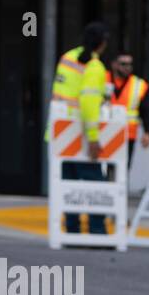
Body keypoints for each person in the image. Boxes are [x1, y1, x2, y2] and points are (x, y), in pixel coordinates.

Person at [49, 22, 111, 235]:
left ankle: (72, 231)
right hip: (80, 134)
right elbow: (89, 104)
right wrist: (93, 138)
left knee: (68, 185)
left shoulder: (67, 57)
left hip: (60, 133)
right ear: (102, 43)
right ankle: (97, 229)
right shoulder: (94, 67)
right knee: (95, 184)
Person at [107, 53, 149, 163]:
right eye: (123, 64)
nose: (127, 67)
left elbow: (145, 110)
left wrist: (147, 131)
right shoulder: (103, 78)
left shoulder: (139, 84)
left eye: (130, 64)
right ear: (114, 65)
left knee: (123, 169)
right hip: (105, 130)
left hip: (127, 134)